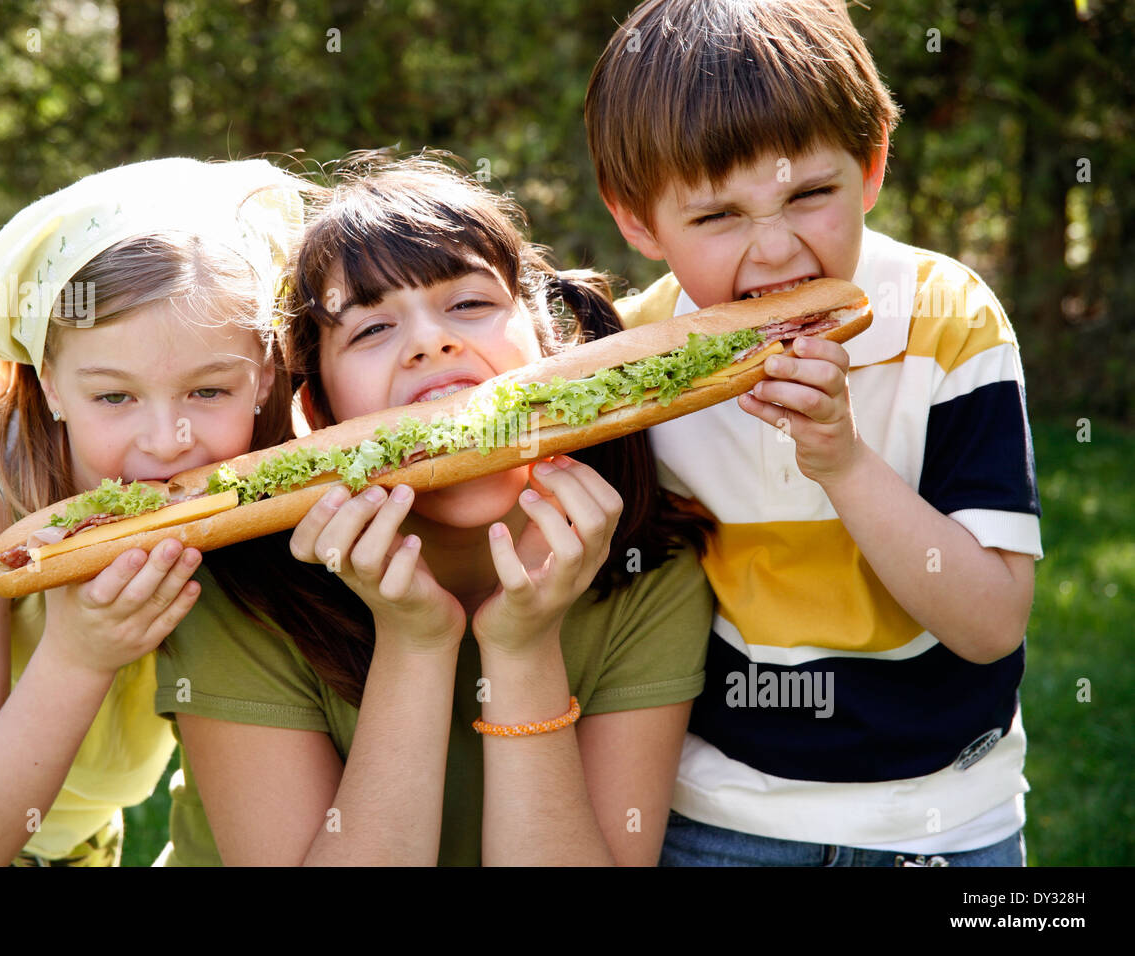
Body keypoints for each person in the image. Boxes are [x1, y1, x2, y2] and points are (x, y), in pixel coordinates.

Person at [154, 154, 713, 866]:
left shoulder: (646, 571)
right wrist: (414, 641)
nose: (429, 341)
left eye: (470, 304)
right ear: (317, 413)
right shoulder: (242, 590)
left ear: (547, 344)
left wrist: (523, 650)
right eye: (370, 330)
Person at [585, 0, 1041, 866]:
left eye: (811, 195)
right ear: (638, 221)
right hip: (723, 822)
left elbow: (991, 625)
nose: (774, 251)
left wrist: (842, 460)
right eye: (716, 217)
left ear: (870, 169)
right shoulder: (632, 360)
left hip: (946, 824)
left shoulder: (949, 320)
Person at [0, 157, 304, 865]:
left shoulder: (273, 472)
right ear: (49, 383)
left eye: (208, 392)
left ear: (265, 374)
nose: (166, 441)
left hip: (64, 832)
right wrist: (79, 654)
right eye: (114, 397)